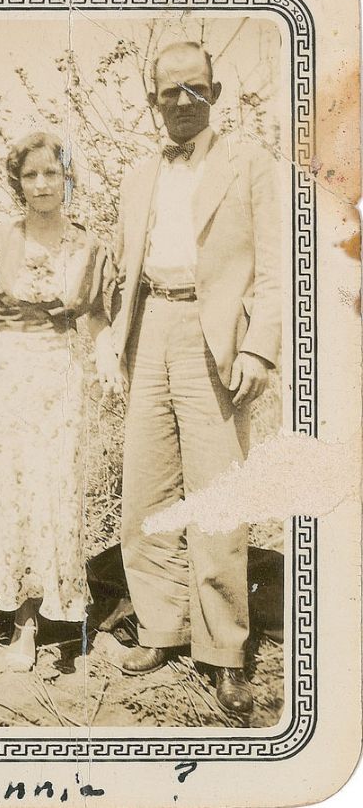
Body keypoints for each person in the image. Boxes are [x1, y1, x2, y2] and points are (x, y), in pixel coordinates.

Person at [112, 42, 280, 714]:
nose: (181, 102)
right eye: (167, 92)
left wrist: (259, 348)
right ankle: (160, 626)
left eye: (193, 89)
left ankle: (223, 651)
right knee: (146, 489)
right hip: (150, 326)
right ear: (152, 101)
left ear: (216, 89)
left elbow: (275, 264)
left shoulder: (250, 164)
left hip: (216, 340)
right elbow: (124, 265)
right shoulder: (136, 174)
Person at [0, 131, 124, 670]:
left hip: (61, 379)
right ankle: (21, 627)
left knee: (55, 494)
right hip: (8, 376)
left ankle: (61, 612)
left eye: (52, 173)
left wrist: (108, 361)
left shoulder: (90, 246)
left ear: (67, 177)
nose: (42, 184)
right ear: (17, 183)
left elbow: (94, 317)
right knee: (11, 496)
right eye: (31, 175)